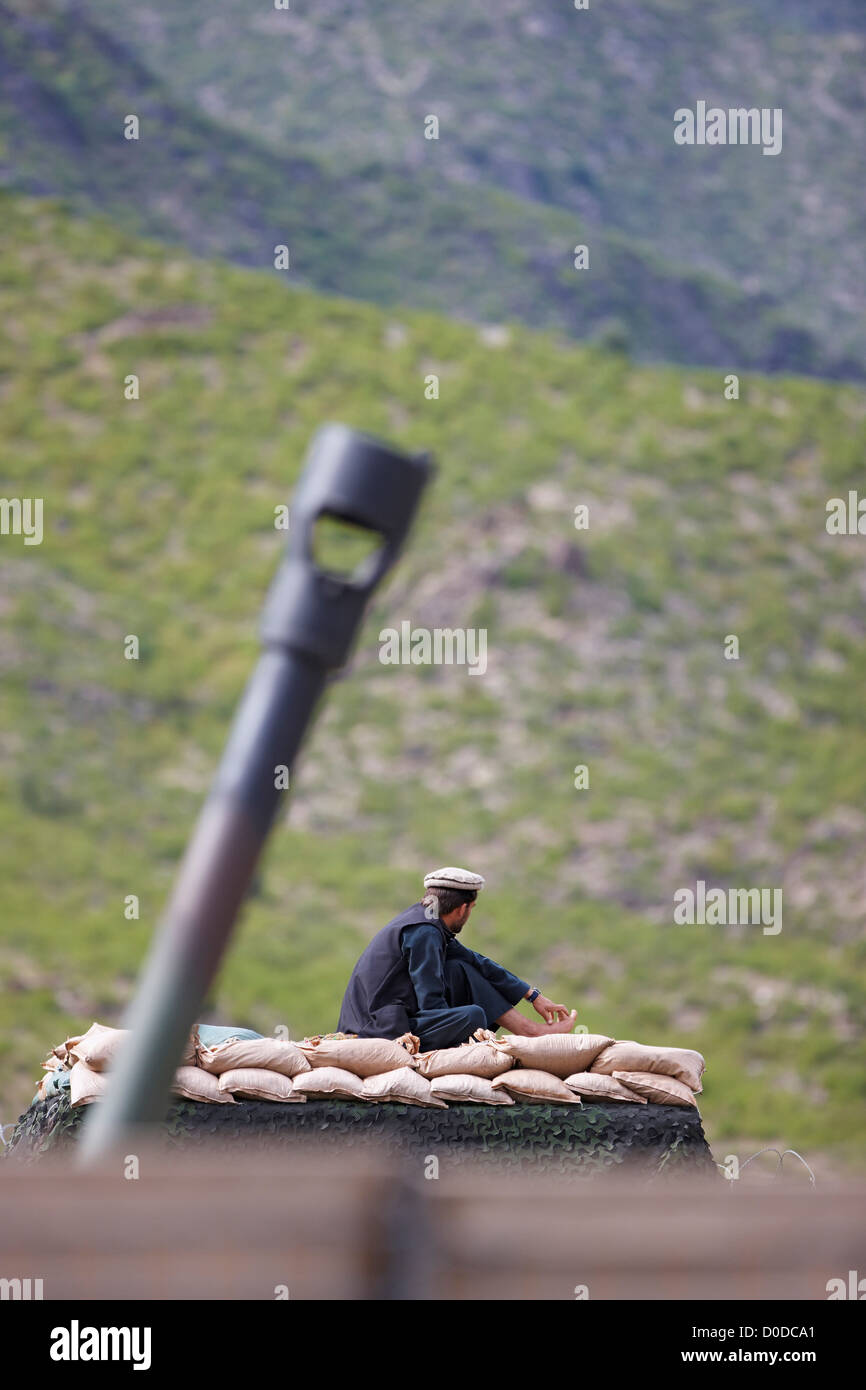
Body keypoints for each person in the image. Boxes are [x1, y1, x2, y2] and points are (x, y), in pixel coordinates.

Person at [337, 866, 577, 1050]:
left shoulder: (426, 920)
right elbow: (431, 1004)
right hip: (376, 1029)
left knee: (461, 969)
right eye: (472, 908)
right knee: (473, 1016)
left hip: (393, 1017)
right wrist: (456, 1024)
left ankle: (529, 1030)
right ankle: (529, 1032)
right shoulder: (424, 933)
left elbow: (477, 962)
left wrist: (532, 995)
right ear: (463, 908)